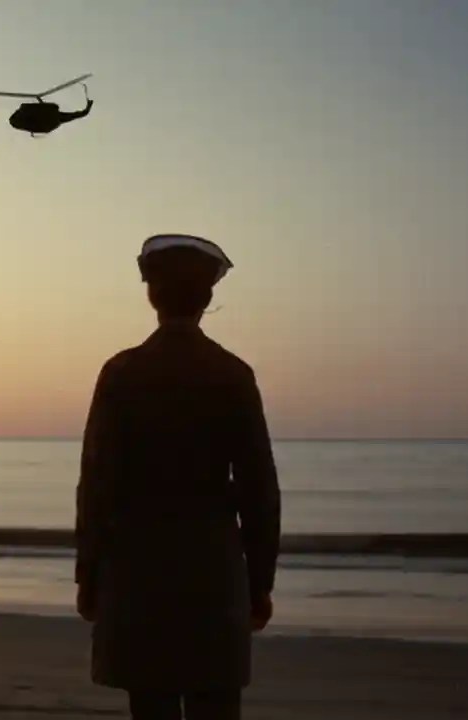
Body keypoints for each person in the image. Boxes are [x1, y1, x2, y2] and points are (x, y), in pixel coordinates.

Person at [75, 234, 281, 720]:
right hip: (213, 571)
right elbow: (259, 489)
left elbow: (97, 483)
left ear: (152, 295)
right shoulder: (232, 374)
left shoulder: (121, 372)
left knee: (151, 705)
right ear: (207, 298)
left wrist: (89, 573)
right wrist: (259, 582)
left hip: (137, 570)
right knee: (216, 703)